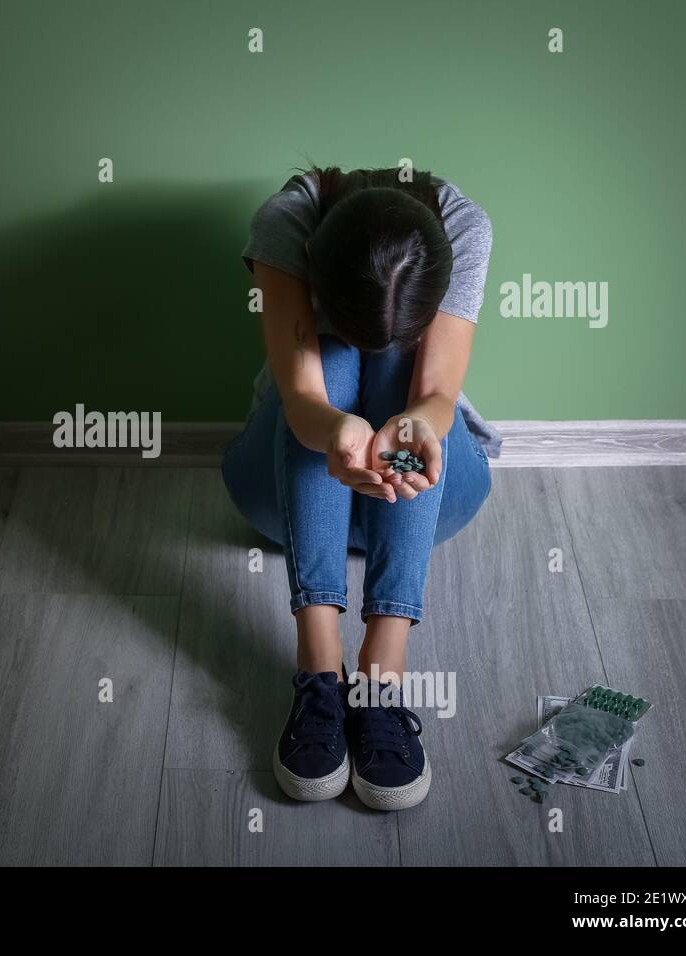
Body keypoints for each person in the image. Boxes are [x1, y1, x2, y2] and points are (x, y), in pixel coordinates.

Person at [221, 165, 498, 810]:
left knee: (399, 367)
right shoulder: (287, 224)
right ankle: (319, 665)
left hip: (431, 495)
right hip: (283, 494)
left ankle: (381, 671)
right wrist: (337, 427)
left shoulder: (465, 227)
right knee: (332, 361)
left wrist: (415, 424)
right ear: (313, 260)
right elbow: (300, 397)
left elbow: (437, 393)